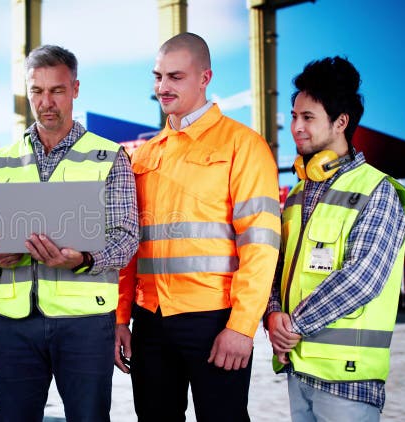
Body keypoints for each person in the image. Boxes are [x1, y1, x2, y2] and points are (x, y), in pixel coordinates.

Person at [114, 32, 281, 421]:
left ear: (205, 78)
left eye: (175, 77)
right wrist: (122, 318)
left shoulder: (243, 146)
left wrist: (241, 327)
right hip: (151, 322)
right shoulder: (144, 156)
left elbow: (260, 244)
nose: (162, 87)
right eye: (157, 77)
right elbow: (129, 247)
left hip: (215, 320)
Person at [0, 44, 139, 422]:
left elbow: (126, 238)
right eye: (37, 91)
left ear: (75, 89)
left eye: (57, 90)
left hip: (84, 325)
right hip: (14, 324)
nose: (46, 101)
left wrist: (83, 259)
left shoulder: (109, 157)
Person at [265, 57, 405, 421]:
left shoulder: (376, 190)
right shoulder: (297, 194)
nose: (295, 127)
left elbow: (363, 277)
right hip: (299, 370)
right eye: (294, 115)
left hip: (348, 381)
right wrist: (271, 315)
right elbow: (277, 267)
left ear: (341, 121)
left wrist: (292, 326)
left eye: (308, 117)